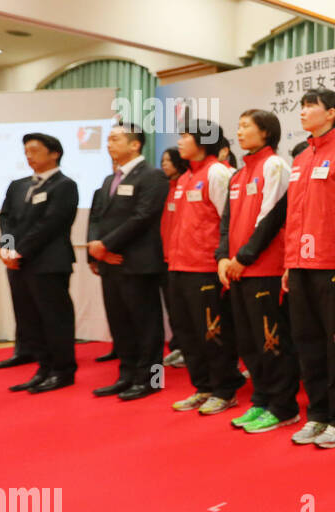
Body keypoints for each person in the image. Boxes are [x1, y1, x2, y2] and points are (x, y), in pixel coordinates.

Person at [283, 88, 335, 449]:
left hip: (334, 266)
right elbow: (294, 215)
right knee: (308, 344)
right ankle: (317, 414)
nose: (303, 112)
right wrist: (289, 264)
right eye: (301, 106)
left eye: (310, 106)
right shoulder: (301, 157)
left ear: (331, 113)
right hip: (301, 265)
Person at [216, 109, 299, 434]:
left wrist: (244, 257)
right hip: (237, 270)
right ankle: (261, 400)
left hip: (262, 269)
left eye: (246, 126)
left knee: (271, 341)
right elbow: (226, 221)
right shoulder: (237, 175)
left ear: (266, 132)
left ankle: (283, 406)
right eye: (238, 126)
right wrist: (224, 257)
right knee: (248, 343)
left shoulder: (274, 166)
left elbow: (271, 219)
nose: (239, 132)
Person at [164, 121, 242, 414]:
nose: (180, 142)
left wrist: (226, 262)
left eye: (186, 136)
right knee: (187, 333)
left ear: (203, 140)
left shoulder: (218, 172)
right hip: (179, 266)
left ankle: (224, 390)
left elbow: (230, 222)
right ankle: (203, 386)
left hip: (207, 268)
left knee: (213, 332)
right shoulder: (184, 178)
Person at [87, 123, 168, 401]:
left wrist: (106, 245)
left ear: (135, 144)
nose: (109, 143)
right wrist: (95, 249)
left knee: (147, 327)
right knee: (120, 323)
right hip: (111, 263)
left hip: (139, 263)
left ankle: (152, 379)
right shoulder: (110, 180)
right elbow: (96, 216)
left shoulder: (153, 176)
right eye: (108, 139)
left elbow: (143, 217)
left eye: (115, 139)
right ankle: (127, 376)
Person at [0, 132, 79, 393]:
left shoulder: (64, 185)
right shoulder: (18, 185)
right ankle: (43, 368)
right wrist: (8, 248)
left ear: (54, 153)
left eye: (34, 150)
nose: (29, 156)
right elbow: (6, 218)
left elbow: (51, 224)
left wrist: (19, 251)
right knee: (29, 319)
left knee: (54, 318)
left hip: (48, 263)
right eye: (26, 151)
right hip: (18, 264)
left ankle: (62, 371)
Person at [159, 146, 188, 368]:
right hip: (166, 257)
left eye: (168, 160)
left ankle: (188, 349)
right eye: (162, 160)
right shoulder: (165, 187)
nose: (164, 164)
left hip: (186, 258)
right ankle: (180, 347)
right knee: (174, 310)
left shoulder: (187, 183)